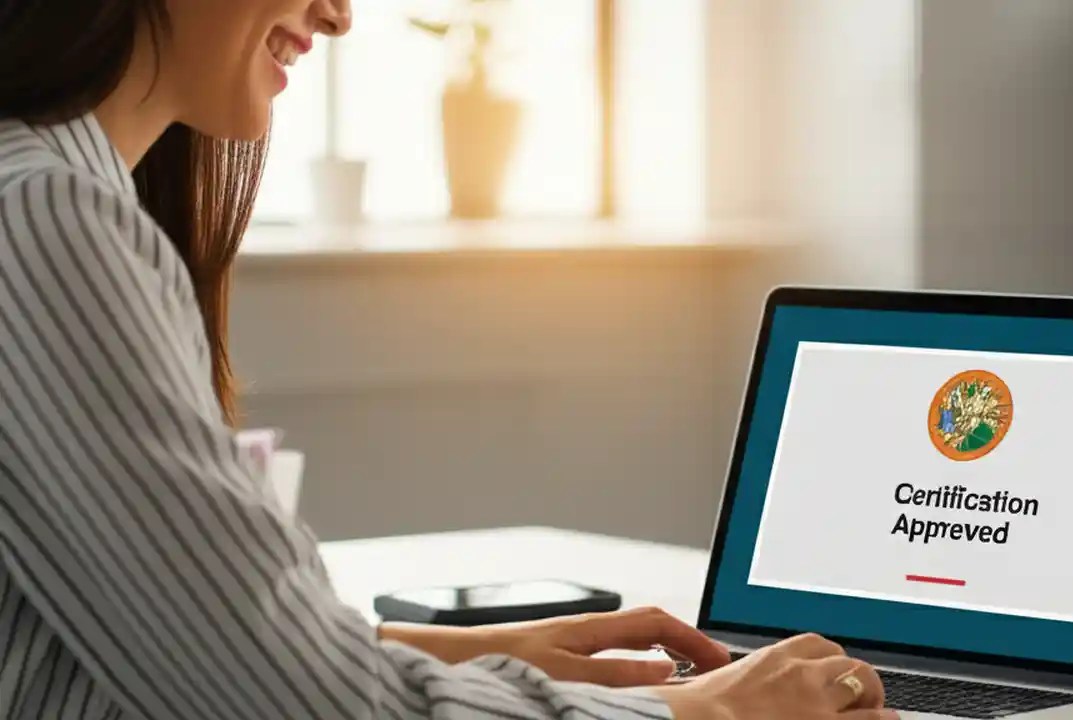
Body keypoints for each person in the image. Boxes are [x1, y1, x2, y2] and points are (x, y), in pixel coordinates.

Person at [0, 2, 896, 718]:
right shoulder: (47, 221)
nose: (340, 14)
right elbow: (297, 708)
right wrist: (707, 715)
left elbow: (136, 655)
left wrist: (454, 655)